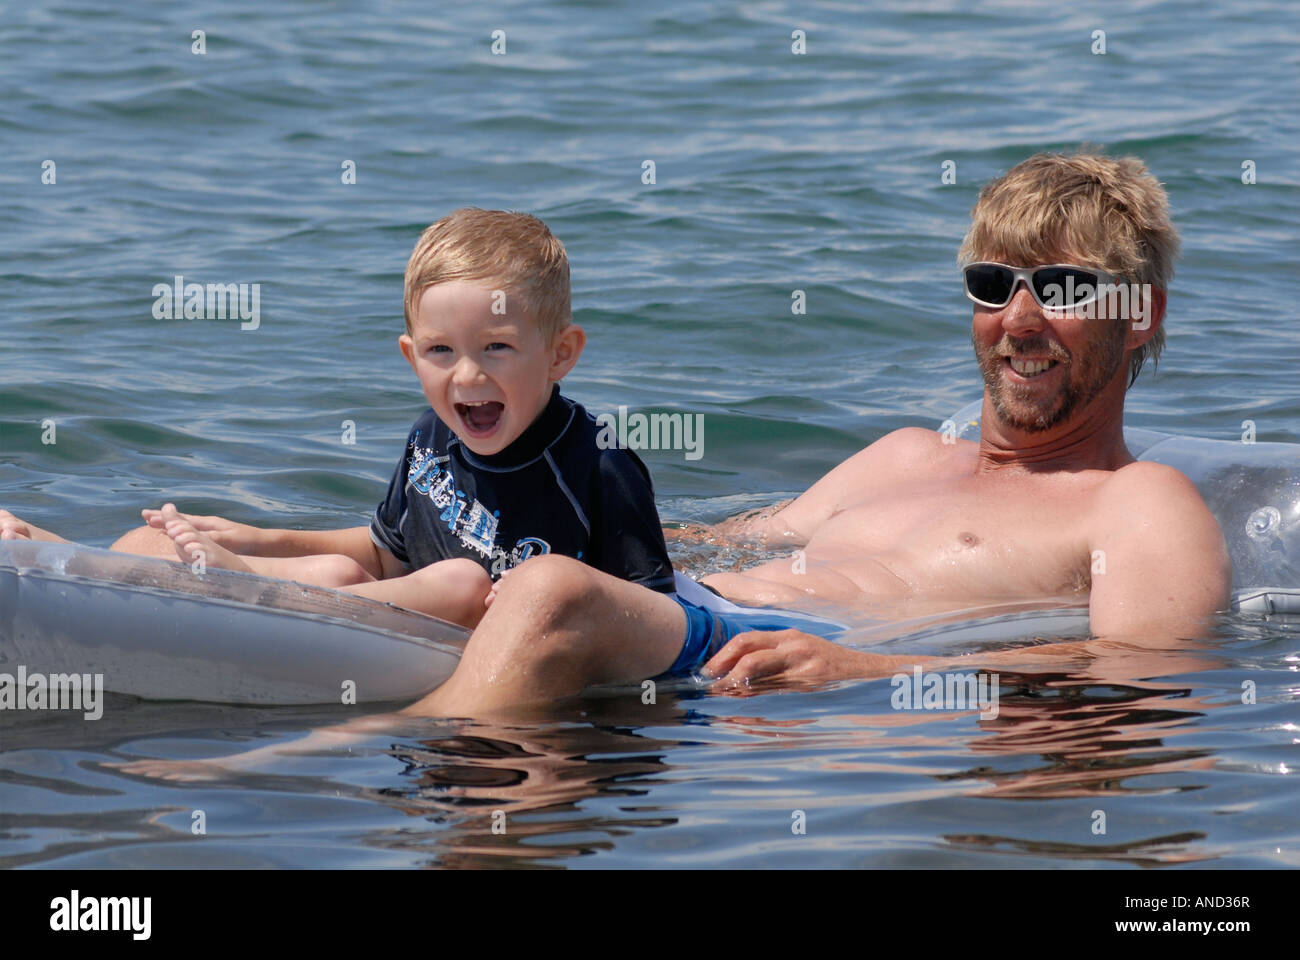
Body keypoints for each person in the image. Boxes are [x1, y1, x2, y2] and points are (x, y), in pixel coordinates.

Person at [398, 150, 1232, 717]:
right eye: (993, 284)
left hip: (750, 670)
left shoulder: (1138, 502)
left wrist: (873, 675)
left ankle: (365, 768)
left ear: (1137, 316)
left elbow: (1141, 675)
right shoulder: (905, 454)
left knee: (550, 590)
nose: (1016, 319)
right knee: (475, 553)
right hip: (687, 614)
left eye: (1061, 289)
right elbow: (717, 543)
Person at [0, 209, 676, 629]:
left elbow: (655, 616)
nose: (467, 375)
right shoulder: (433, 435)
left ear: (561, 354)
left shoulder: (600, 464)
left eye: (497, 347)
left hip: (480, 628)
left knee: (462, 581)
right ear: (412, 356)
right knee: (152, 543)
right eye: (441, 351)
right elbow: (388, 551)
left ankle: (241, 579)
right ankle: (47, 555)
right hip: (403, 605)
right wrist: (255, 534)